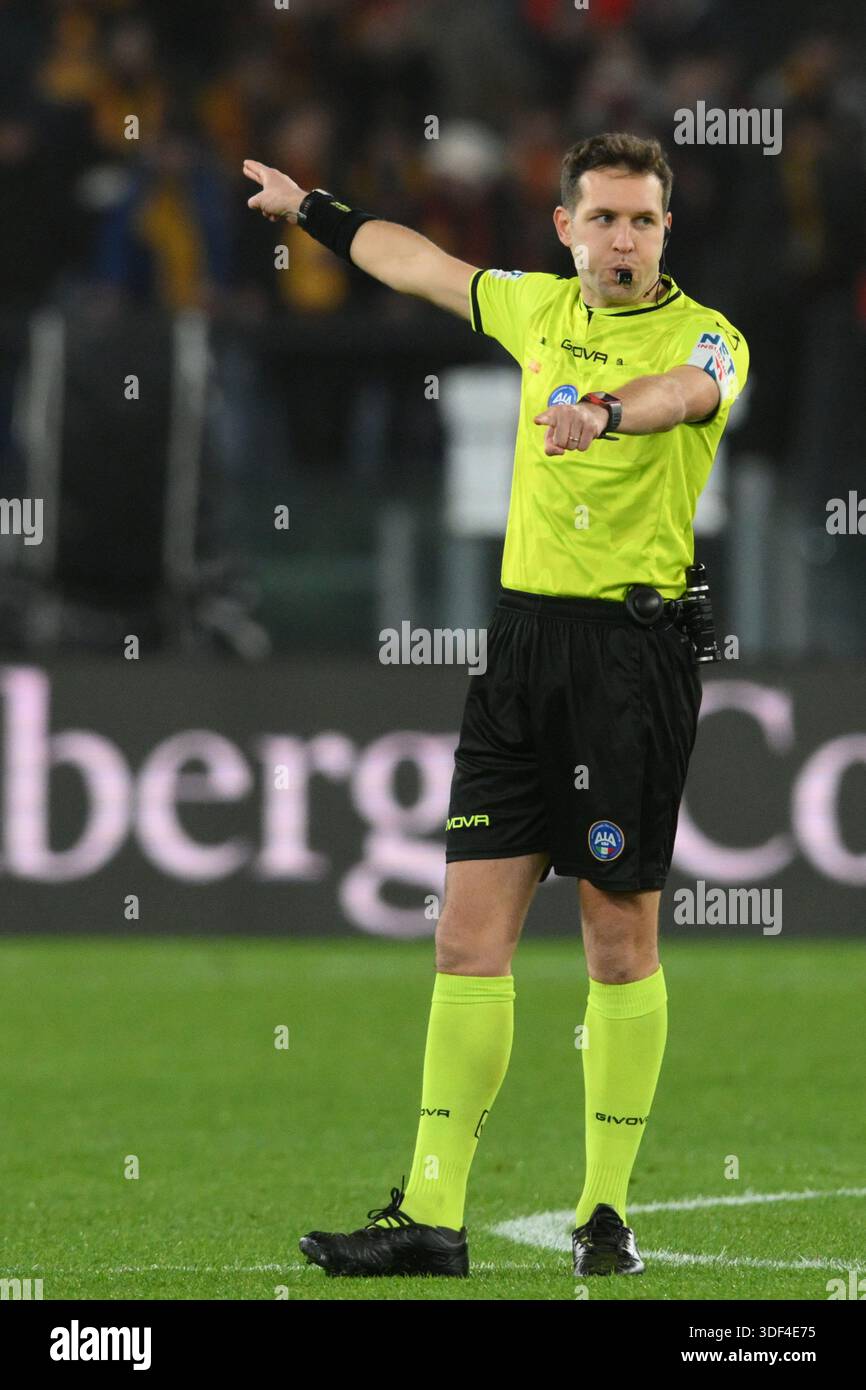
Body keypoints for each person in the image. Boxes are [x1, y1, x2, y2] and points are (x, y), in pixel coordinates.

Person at [244, 131, 748, 1279]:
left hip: (630, 657)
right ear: (564, 226)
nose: (622, 239)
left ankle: (603, 1211)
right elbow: (419, 263)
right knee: (467, 938)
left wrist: (605, 412)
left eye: (642, 220)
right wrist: (312, 211)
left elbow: (684, 394)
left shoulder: (706, 336)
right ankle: (430, 1215)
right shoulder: (528, 307)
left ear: (666, 231)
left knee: (616, 940)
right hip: (520, 648)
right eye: (603, 219)